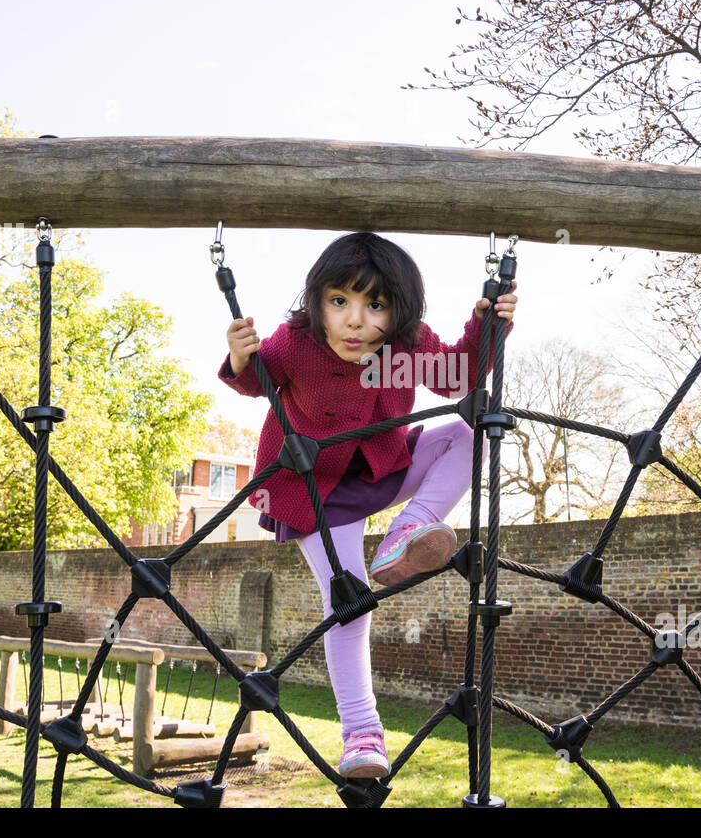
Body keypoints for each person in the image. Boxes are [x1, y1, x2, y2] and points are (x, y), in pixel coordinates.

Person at [218, 232, 517, 779]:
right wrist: (241, 359)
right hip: (313, 488)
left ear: (397, 312)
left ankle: (411, 527)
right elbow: (260, 381)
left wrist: (487, 325)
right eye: (340, 302)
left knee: (468, 432)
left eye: (374, 305)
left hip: (382, 466)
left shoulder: (405, 345)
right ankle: (361, 736)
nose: (355, 321)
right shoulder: (296, 342)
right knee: (348, 605)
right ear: (318, 302)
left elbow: (463, 374)